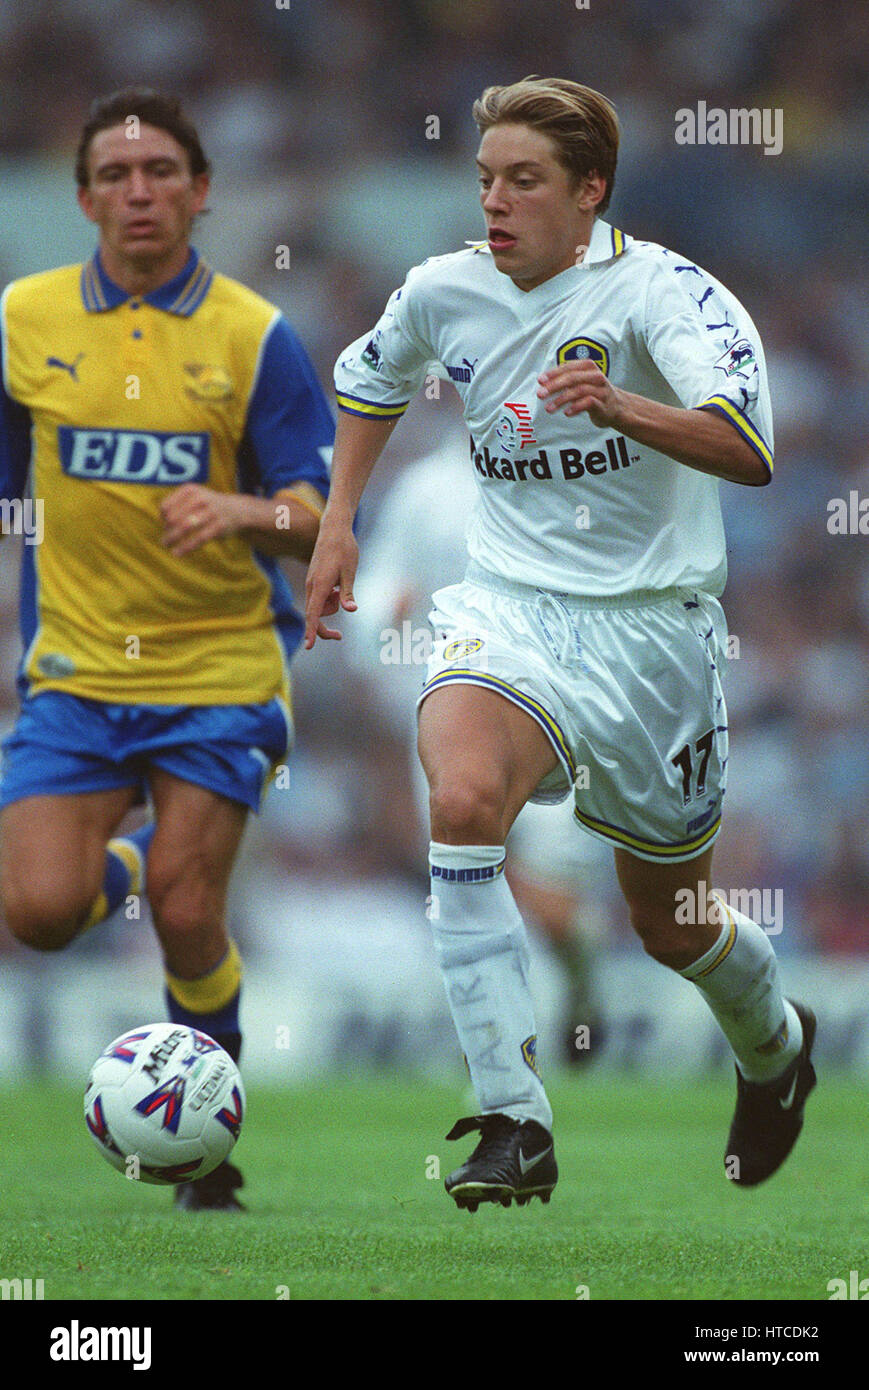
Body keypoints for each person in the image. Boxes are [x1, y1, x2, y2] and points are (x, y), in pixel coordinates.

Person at [305, 77, 816, 1211]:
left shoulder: (667, 295)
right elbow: (370, 379)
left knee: (669, 924)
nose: (494, 200)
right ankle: (511, 1117)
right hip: (508, 609)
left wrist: (622, 405)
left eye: (522, 180)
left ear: (588, 191)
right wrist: (340, 518)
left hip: (652, 638)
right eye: (485, 177)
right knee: (463, 800)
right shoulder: (443, 290)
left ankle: (776, 1051)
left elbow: (746, 447)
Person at [0, 88, 333, 1210]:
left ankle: (207, 1160)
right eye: (116, 174)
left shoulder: (254, 336)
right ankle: (148, 854)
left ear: (200, 190)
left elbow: (316, 517)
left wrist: (241, 513)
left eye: (160, 173)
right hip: (76, 673)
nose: (138, 192)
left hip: (217, 671)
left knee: (191, 916)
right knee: (40, 914)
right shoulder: (24, 321)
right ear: (85, 194)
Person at [346, 427, 611, 1064]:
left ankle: (578, 978)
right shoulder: (425, 490)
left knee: (549, 910)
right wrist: (384, 613)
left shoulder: (565, 467)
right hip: (450, 710)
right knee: (468, 881)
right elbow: (376, 588)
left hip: (553, 706)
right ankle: (496, 1056)